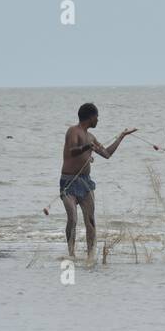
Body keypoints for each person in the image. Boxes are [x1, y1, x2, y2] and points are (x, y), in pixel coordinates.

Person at [61, 103, 136, 259]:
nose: (98, 120)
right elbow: (72, 151)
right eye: (97, 117)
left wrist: (121, 136)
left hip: (85, 183)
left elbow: (107, 154)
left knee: (90, 221)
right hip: (68, 182)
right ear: (90, 117)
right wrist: (86, 147)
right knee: (72, 218)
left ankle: (90, 256)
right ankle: (71, 254)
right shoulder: (73, 131)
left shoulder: (91, 137)